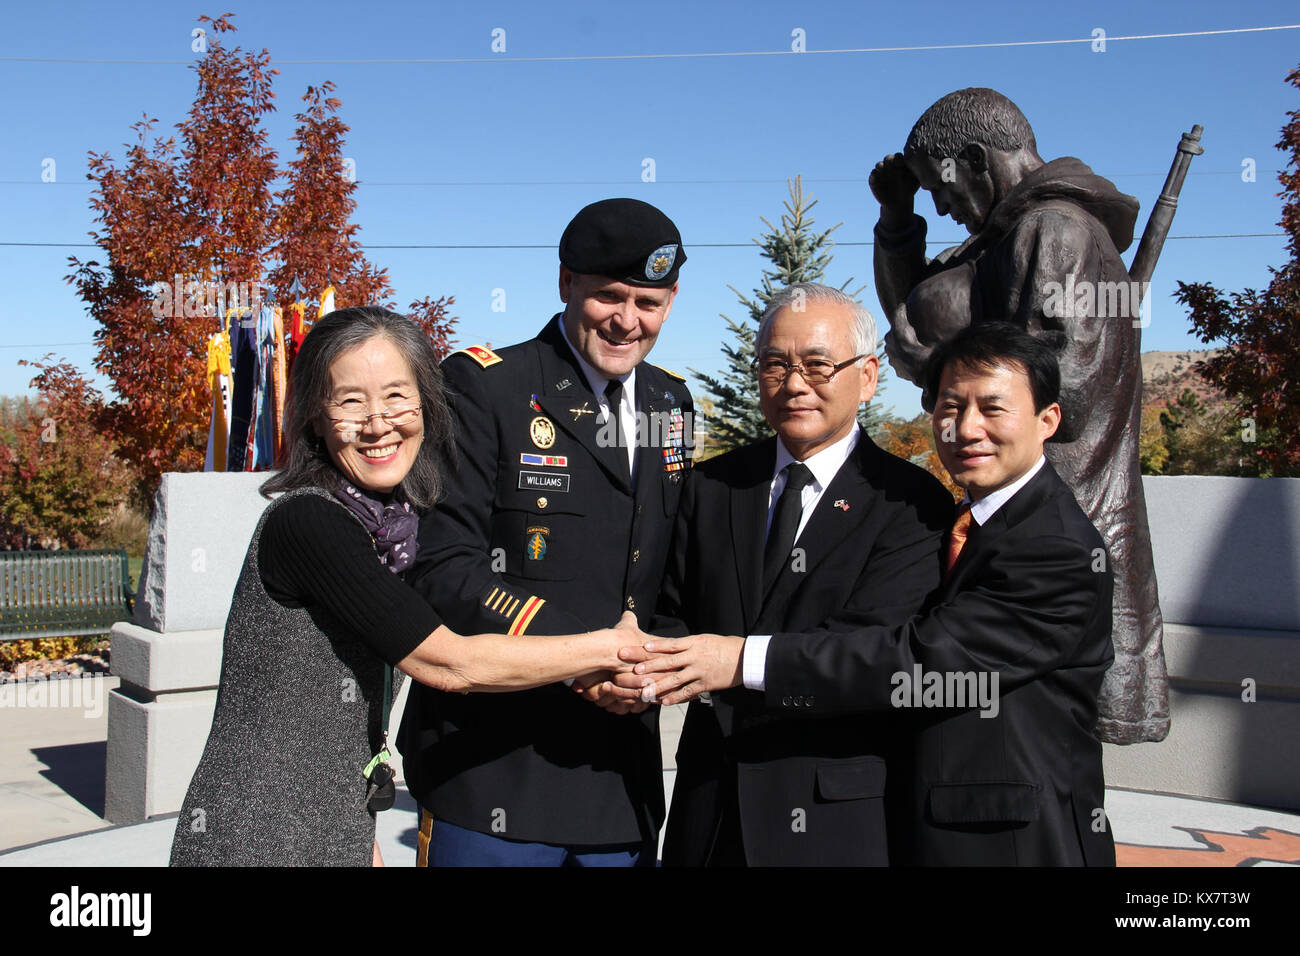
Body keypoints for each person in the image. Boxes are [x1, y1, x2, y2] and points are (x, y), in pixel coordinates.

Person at [622, 323, 1117, 866]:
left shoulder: (1053, 546)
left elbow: (920, 659)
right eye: (950, 407)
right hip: (754, 816)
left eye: (993, 409)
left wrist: (741, 659)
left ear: (1047, 420)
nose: (967, 428)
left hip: (1008, 839)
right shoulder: (969, 521)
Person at [169, 307, 639, 868]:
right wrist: (611, 647)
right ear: (315, 417)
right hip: (256, 840)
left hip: (329, 828)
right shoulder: (311, 523)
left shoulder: (387, 528)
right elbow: (451, 665)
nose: (377, 422)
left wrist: (357, 832)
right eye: (349, 401)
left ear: (427, 407)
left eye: (397, 396)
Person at [396, 198, 693, 866]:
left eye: (648, 302)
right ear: (566, 284)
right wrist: (581, 657)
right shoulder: (483, 387)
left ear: (672, 301)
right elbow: (445, 568)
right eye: (608, 296)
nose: (627, 321)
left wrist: (655, 670)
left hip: (620, 779)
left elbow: (670, 568)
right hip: (495, 772)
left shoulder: (672, 403)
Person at [869, 87, 1167, 745]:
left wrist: (939, 367)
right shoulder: (1007, 236)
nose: (942, 207)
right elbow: (911, 311)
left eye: (940, 191)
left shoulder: (1051, 230)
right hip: (1021, 537)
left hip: (1056, 543)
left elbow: (1067, 387)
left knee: (1038, 766)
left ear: (975, 159)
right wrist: (897, 220)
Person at [644, 283, 953, 866]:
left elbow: (877, 654)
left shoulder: (911, 504)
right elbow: (672, 613)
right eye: (774, 365)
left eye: (817, 365)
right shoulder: (713, 487)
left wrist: (735, 660)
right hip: (707, 810)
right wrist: (641, 667)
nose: (793, 385)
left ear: (867, 376)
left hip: (833, 815)